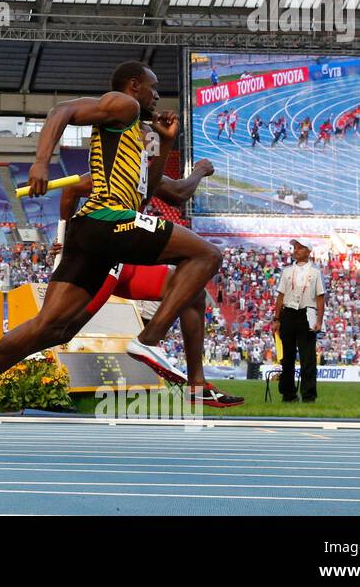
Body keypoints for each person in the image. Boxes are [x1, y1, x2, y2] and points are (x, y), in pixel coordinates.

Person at [0, 61, 223, 449]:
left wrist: (169, 144)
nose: (157, 96)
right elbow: (62, 110)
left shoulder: (133, 137)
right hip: (108, 222)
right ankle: (150, 340)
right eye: (153, 88)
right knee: (207, 255)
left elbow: (154, 196)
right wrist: (39, 161)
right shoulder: (124, 104)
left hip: (92, 233)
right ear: (134, 86)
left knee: (52, 328)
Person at [56, 159, 243, 407]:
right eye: (144, 136)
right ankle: (28, 368)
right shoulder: (112, 172)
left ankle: (197, 385)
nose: (148, 143)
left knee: (194, 293)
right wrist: (65, 238)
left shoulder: (148, 174)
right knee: (62, 330)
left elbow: (179, 192)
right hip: (103, 258)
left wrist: (198, 172)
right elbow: (71, 190)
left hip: (128, 263)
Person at [273, 238, 325, 403]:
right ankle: (288, 394)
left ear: (308, 252)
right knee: (287, 357)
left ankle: (309, 396)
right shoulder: (287, 271)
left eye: (300, 248)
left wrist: (319, 320)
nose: (296, 250)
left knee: (308, 357)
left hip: (307, 314)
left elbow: (320, 298)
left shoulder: (316, 273)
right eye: (295, 247)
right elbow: (280, 296)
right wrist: (276, 318)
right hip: (288, 314)